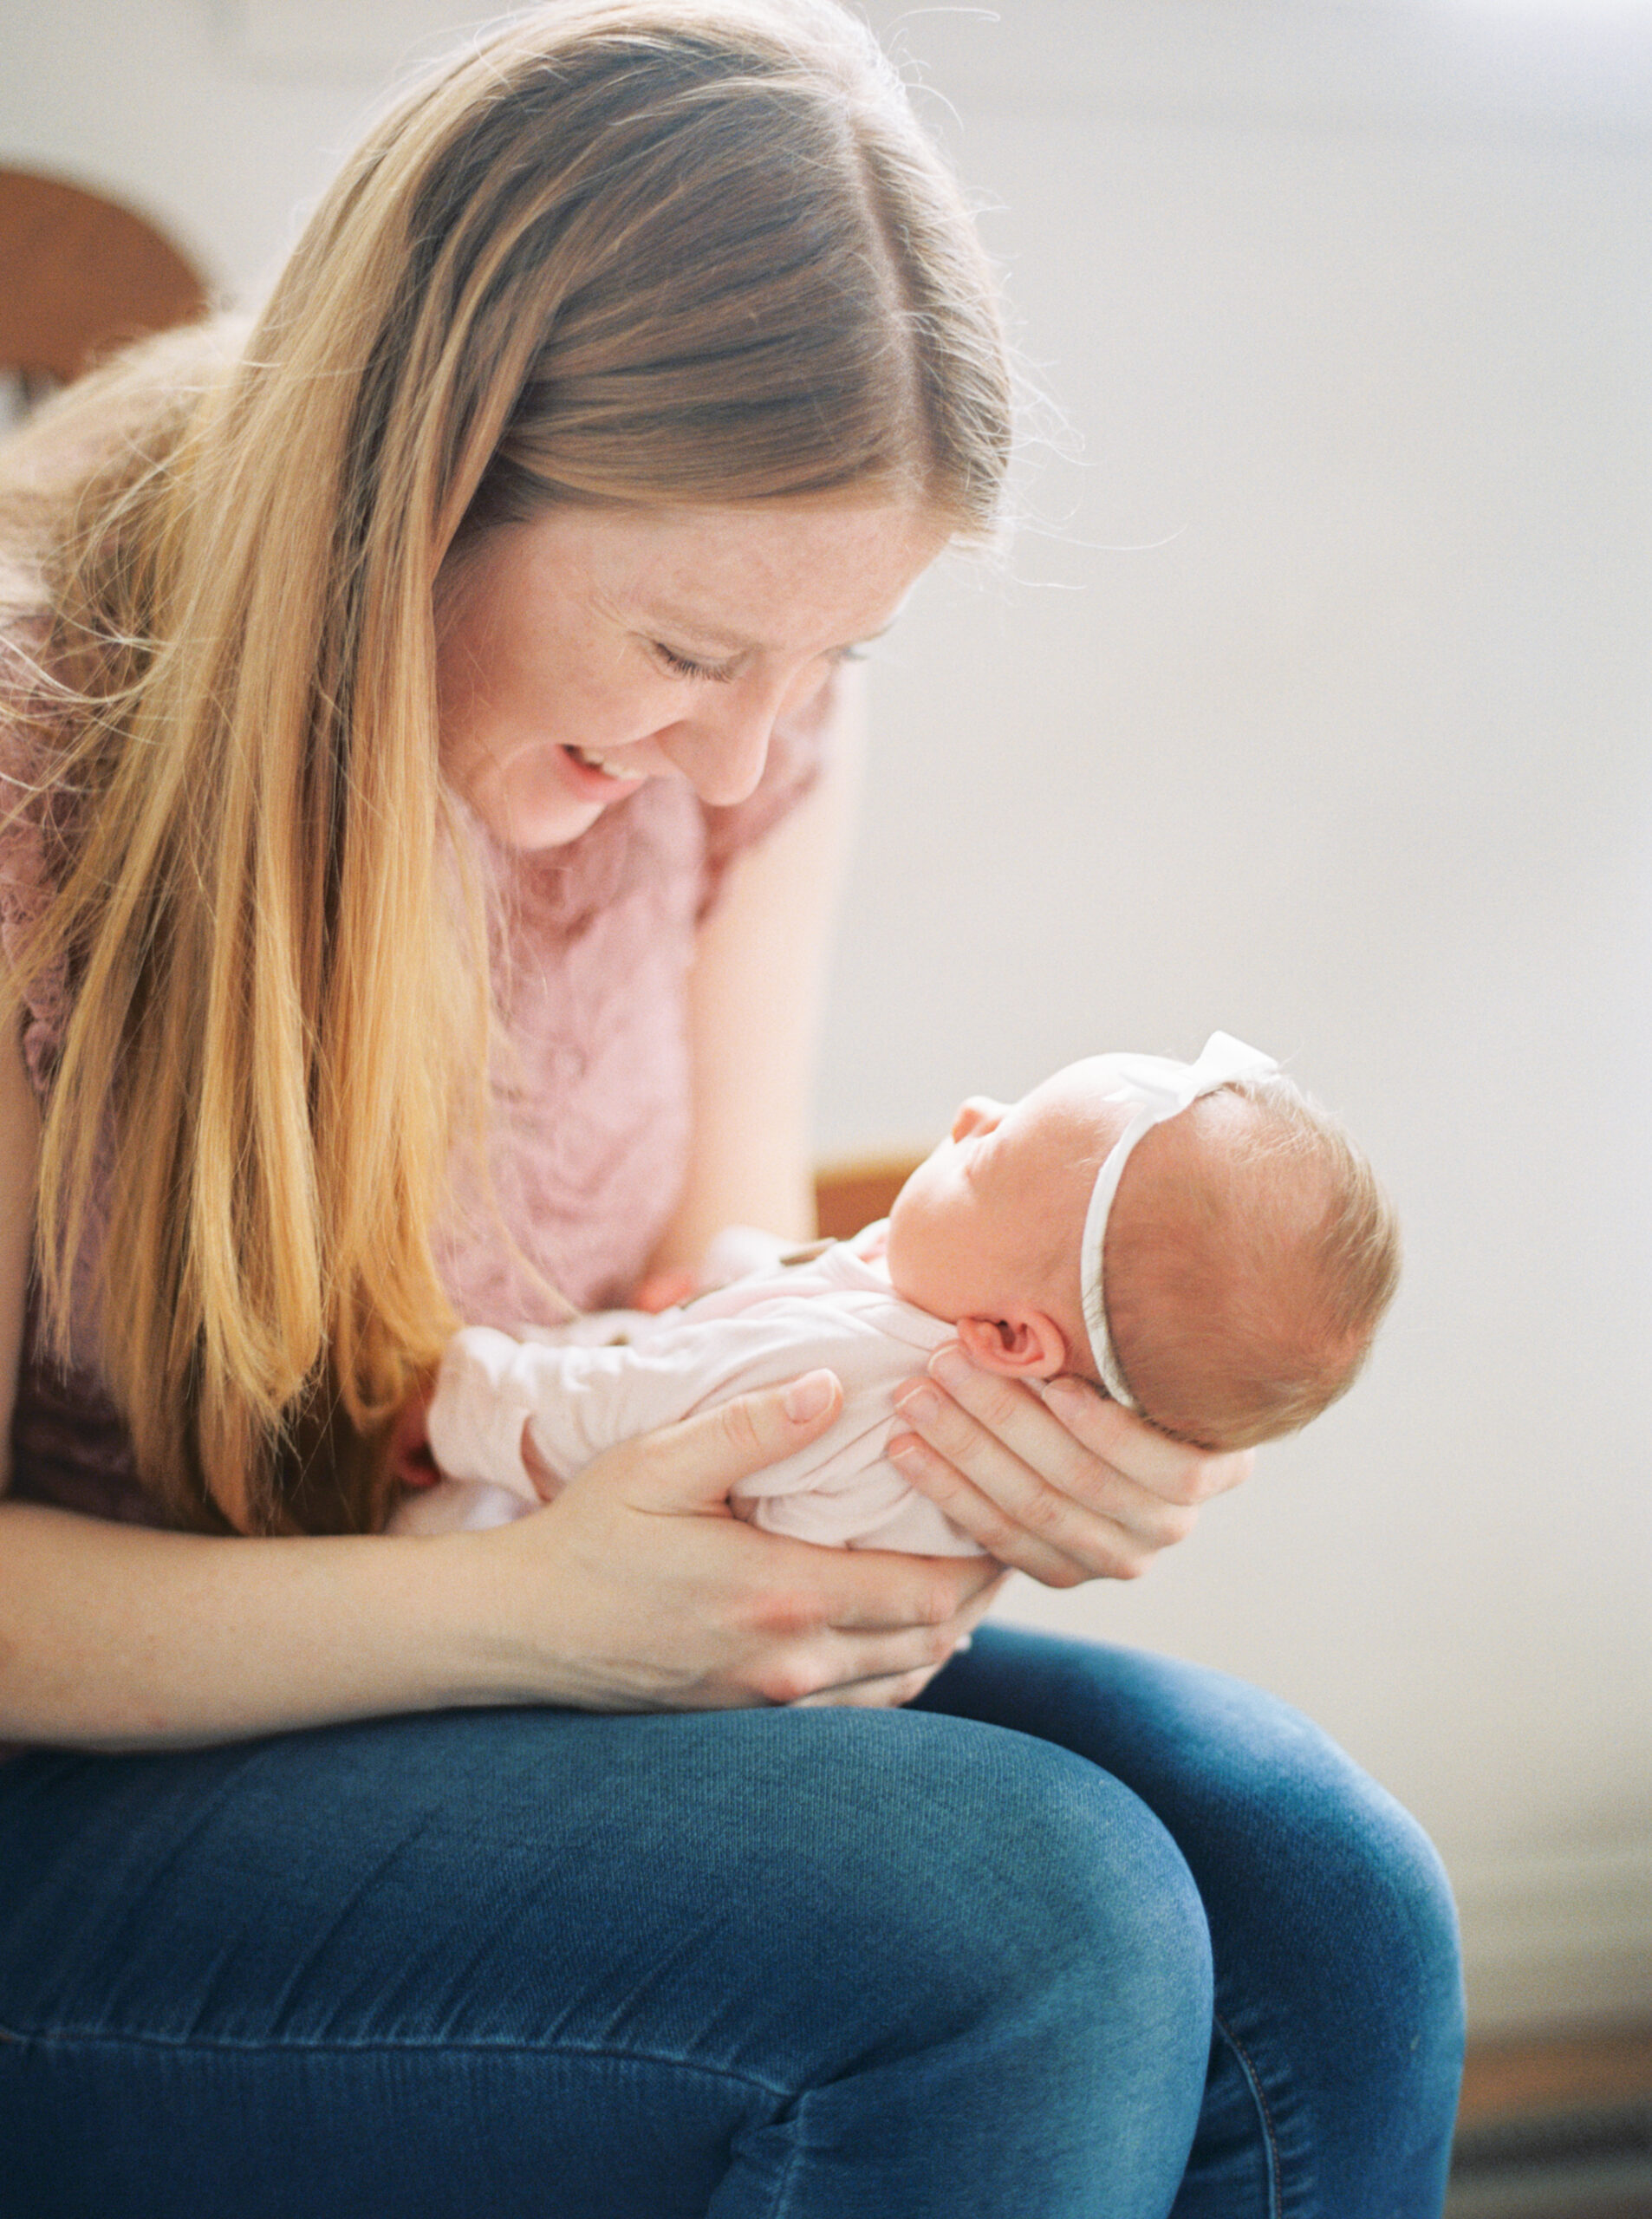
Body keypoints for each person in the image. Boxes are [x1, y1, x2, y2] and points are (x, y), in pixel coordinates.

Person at [0, 3, 1463, 2212]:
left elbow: (721, 1254)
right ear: (416, 475)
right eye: (692, 650)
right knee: (1020, 1930)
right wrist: (537, 1613)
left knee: (1325, 1890)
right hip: (84, 1764)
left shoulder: (747, 752)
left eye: (831, 659)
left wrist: (939, 1403)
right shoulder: (39, 774)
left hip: (509, 1647)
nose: (736, 755)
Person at [404, 1034, 1402, 1551]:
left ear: (1012, 1335)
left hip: (519, 1568)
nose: (969, 1112)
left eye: (989, 1153)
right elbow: (823, 1278)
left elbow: (602, 1415)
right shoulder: (985, 1390)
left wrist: (455, 1402)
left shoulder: (842, 1369)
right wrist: (728, 1280)